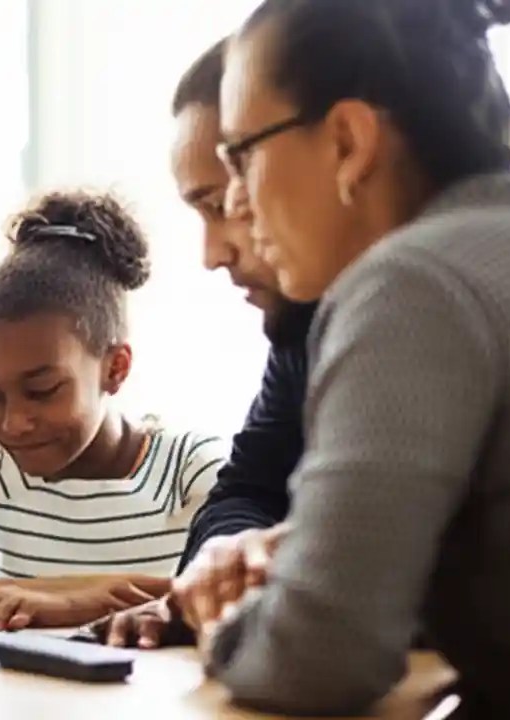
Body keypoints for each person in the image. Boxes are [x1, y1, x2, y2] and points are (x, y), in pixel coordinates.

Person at [196, 0, 510, 715]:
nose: (239, 200)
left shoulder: (411, 282)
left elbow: (317, 660)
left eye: (241, 154)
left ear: (349, 141)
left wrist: (226, 628)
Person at [0, 191, 225, 630]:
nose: (13, 422)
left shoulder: (189, 469)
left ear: (115, 368)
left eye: (42, 390)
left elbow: (233, 594)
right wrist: (54, 596)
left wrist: (71, 603)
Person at [91, 38, 318, 650]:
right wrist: (218, 565)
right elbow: (247, 490)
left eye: (227, 204)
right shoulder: (304, 329)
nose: (212, 254)